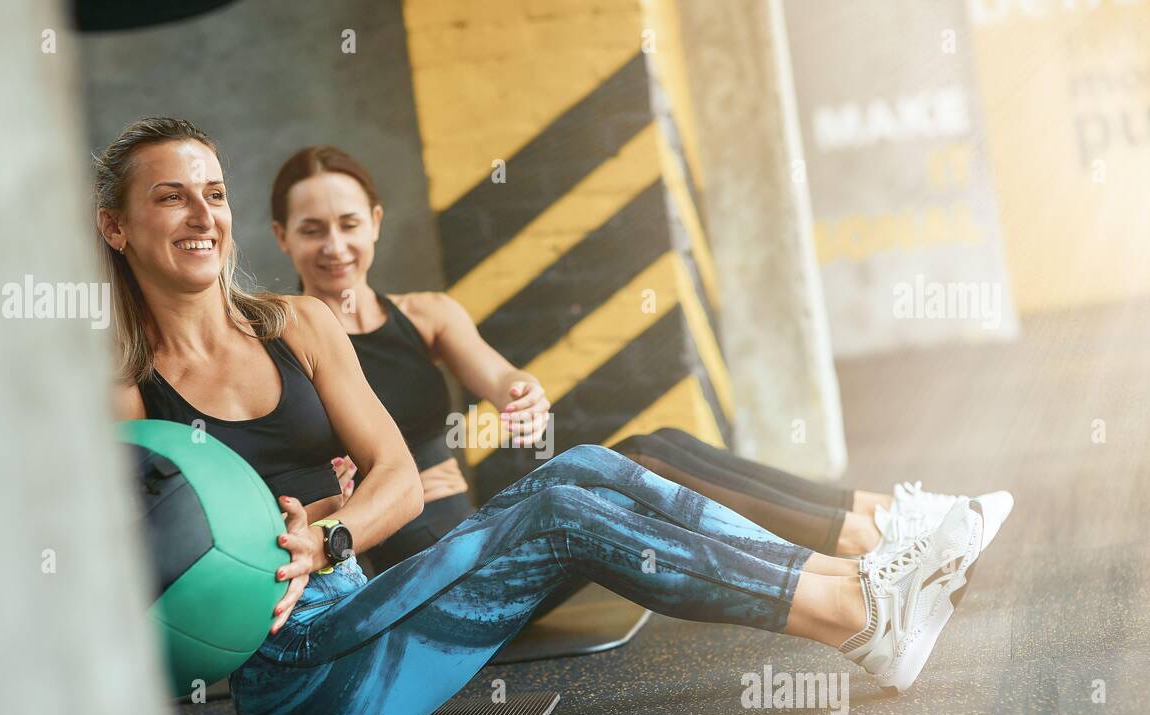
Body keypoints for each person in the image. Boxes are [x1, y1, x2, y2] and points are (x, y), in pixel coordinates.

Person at [99, 117, 987, 715]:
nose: (199, 215)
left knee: (589, 464)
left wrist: (327, 536)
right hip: (298, 683)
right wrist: (254, 570)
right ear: (116, 226)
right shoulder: (124, 400)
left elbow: (399, 478)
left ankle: (857, 589)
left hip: (364, 596)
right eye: (169, 198)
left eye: (211, 193)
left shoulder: (295, 323)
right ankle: (857, 614)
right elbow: (134, 602)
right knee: (565, 508)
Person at [267, 145, 1013, 575]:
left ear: (375, 224)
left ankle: (881, 514)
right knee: (640, 467)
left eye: (347, 224)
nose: (334, 247)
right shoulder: (281, 340)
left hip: (466, 522)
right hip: (423, 567)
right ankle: (870, 541)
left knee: (656, 448)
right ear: (281, 238)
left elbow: (502, 380)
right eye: (311, 231)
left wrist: (521, 396)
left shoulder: (426, 314)